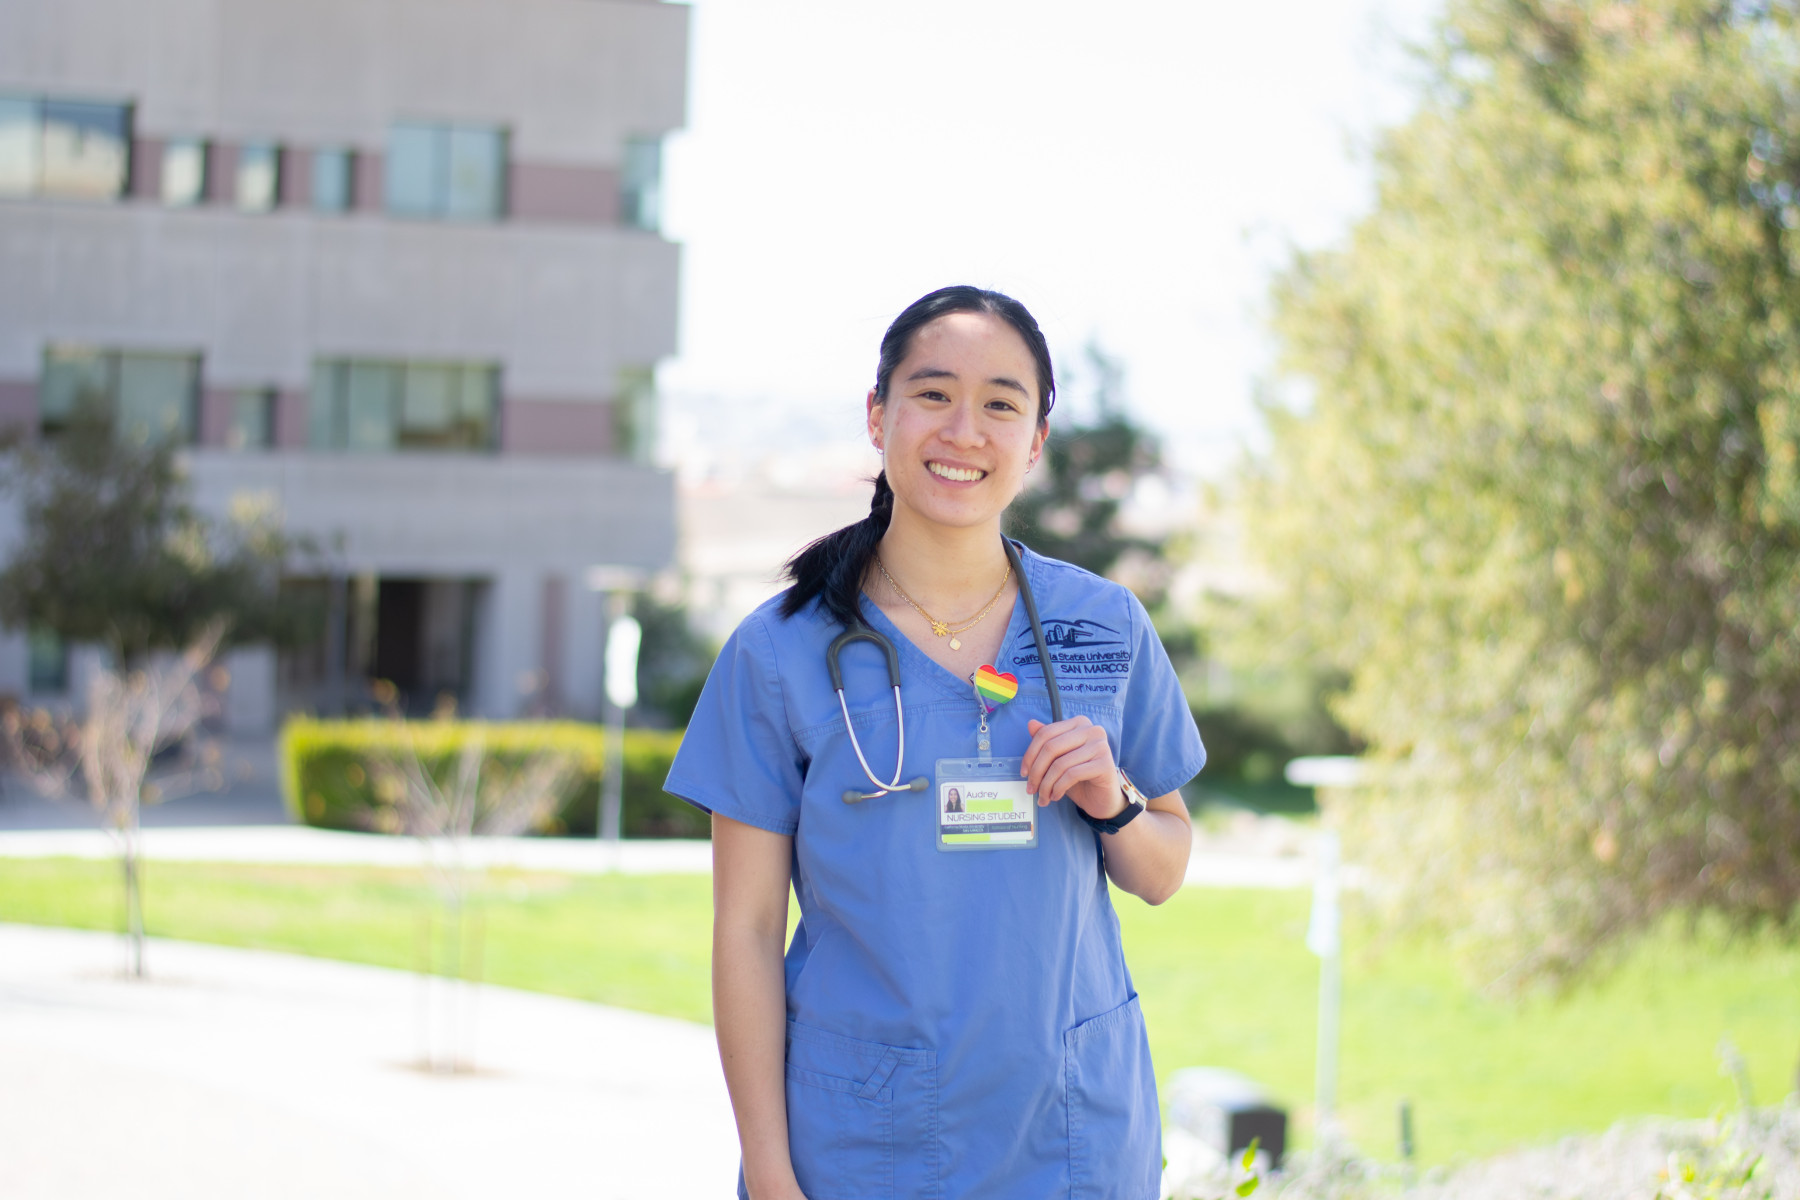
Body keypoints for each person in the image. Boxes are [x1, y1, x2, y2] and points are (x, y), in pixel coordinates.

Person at [665, 285, 1205, 1200]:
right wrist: (769, 1171)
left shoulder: (1103, 626)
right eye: (932, 394)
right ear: (878, 417)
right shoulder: (782, 650)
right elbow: (747, 931)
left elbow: (1163, 869)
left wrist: (1111, 798)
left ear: (1034, 442)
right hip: (862, 1141)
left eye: (1001, 404)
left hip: (1071, 1134)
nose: (965, 430)